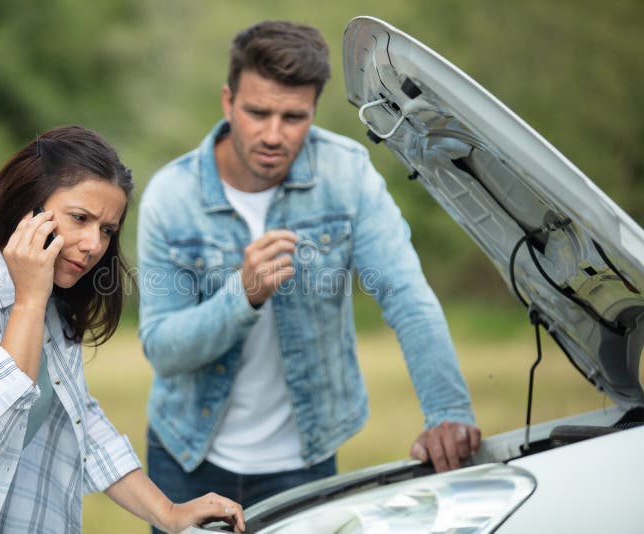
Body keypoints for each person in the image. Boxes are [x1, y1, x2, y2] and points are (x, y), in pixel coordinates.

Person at [137, 20, 482, 523]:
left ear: (314, 110)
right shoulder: (172, 196)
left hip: (306, 459)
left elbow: (407, 297)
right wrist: (243, 296)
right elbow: (163, 349)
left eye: (293, 117)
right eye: (257, 112)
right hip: (187, 457)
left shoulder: (347, 174)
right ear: (227, 101)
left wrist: (448, 413)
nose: (273, 134)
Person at [0, 126, 244, 533]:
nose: (94, 244)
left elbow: (82, 424)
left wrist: (169, 514)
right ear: (28, 207)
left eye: (107, 229)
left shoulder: (51, 304)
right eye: (80, 218)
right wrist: (28, 301)